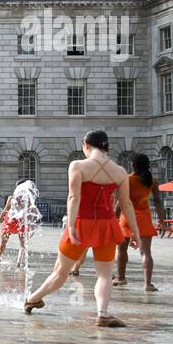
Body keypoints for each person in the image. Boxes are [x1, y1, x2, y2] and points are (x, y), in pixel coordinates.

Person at [25, 130, 138, 327]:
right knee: (104, 275)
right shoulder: (120, 172)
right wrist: (135, 232)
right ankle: (102, 313)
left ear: (86, 145)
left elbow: (73, 198)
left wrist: (70, 225)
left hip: (81, 222)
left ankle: (32, 299)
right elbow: (126, 204)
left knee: (61, 272)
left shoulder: (78, 166)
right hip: (107, 225)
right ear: (106, 147)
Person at [117, 153, 165, 291]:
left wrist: (114, 218)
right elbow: (157, 202)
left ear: (133, 165)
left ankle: (121, 278)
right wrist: (162, 220)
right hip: (144, 218)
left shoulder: (127, 179)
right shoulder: (153, 181)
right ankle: (147, 284)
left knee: (121, 250)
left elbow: (121, 202)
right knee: (146, 253)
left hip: (127, 217)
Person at [0, 184, 28, 267]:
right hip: (20, 223)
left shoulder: (11, 198)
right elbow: (28, 213)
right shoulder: (26, 199)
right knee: (22, 244)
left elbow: (5, 211)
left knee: (3, 242)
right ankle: (19, 262)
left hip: (9, 223)